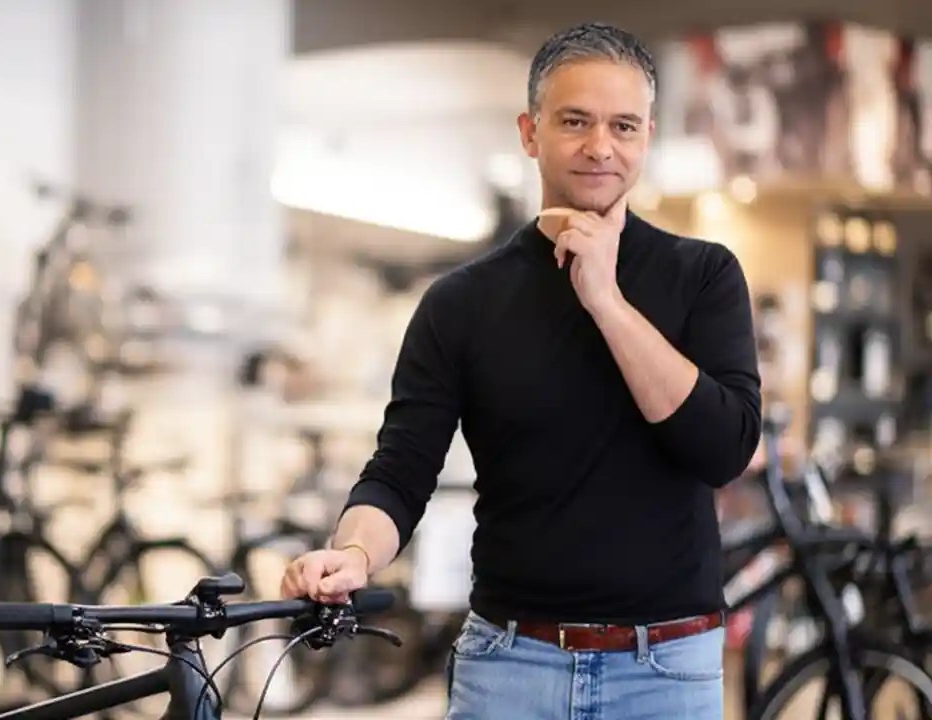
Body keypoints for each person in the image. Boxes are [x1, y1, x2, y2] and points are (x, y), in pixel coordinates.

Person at [278, 22, 761, 719]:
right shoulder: (461, 303)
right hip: (510, 668)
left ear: (648, 136)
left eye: (624, 125)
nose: (601, 146)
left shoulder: (704, 276)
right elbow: (401, 469)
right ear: (530, 132)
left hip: (664, 673)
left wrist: (607, 301)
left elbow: (724, 447)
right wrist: (353, 554)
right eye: (575, 122)